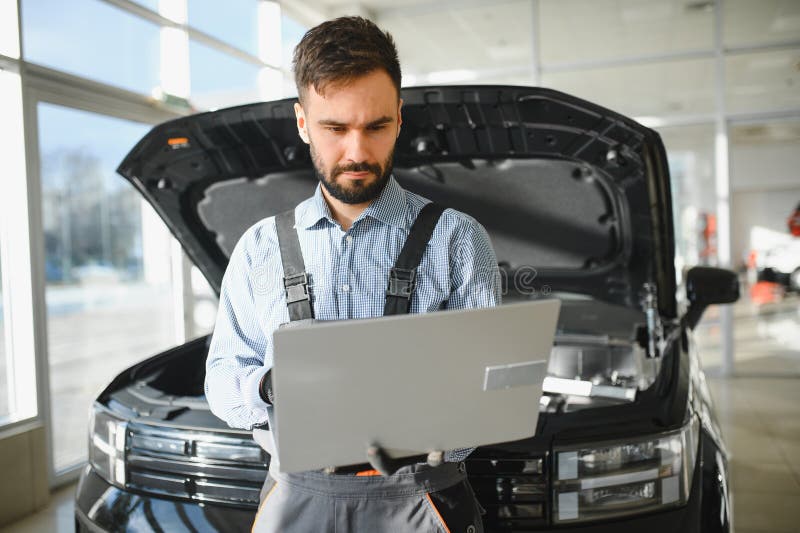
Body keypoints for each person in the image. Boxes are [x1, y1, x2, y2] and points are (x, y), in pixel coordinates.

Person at [205, 16, 501, 532]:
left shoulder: (458, 239)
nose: (358, 152)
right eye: (335, 129)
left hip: (421, 502)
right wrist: (271, 386)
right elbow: (222, 377)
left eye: (376, 126)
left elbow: (487, 392)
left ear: (400, 118)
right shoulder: (259, 249)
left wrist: (424, 425)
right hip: (295, 501)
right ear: (302, 122)